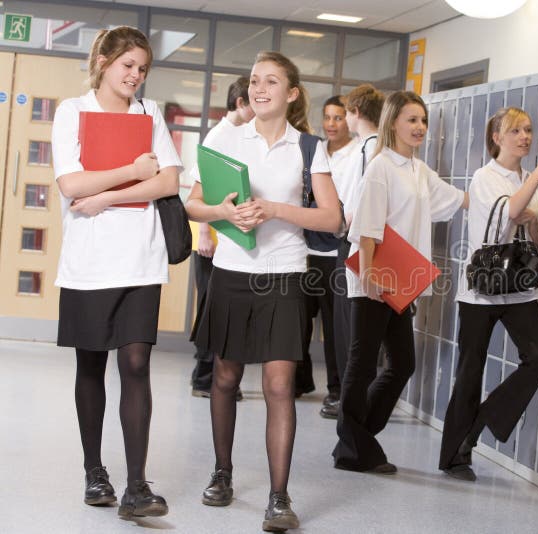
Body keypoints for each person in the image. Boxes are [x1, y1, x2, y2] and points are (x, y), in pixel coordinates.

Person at [185, 51, 340, 532]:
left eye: (271, 81)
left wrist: (275, 209)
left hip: (286, 274)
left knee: (278, 387)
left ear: (291, 94)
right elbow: (193, 204)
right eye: (254, 80)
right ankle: (222, 473)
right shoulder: (225, 137)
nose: (259, 88)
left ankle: (278, 495)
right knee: (225, 380)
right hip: (232, 272)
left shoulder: (310, 148)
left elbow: (332, 220)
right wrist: (225, 214)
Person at [51, 26, 181, 518]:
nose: (135, 75)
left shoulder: (150, 114)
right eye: (128, 65)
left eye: (143, 68)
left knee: (136, 365)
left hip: (141, 260)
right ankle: (93, 471)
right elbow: (70, 182)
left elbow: (168, 178)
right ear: (103, 61)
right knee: (91, 367)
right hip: (88, 263)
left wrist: (106, 195)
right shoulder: (72, 111)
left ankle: (137, 487)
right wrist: (134, 170)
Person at [332, 91, 468, 473]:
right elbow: (369, 226)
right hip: (373, 278)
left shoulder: (418, 170)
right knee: (362, 366)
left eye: (423, 120)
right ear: (393, 122)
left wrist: (508, 203)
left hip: (401, 280)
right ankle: (354, 446)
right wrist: (372, 275)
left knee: (402, 363)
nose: (420, 127)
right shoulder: (381, 168)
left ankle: (355, 438)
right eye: (411, 120)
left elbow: (459, 200)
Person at [439, 107, 538, 481]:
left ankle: (481, 421)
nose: (524, 136)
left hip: (520, 288)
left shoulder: (532, 180)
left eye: (528, 130)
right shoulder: (484, 177)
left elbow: (536, 236)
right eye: (515, 131)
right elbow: (509, 211)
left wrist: (533, 221)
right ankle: (454, 456)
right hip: (483, 288)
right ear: (497, 137)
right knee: (469, 371)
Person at [190, 75, 254, 399]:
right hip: (212, 239)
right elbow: (203, 190)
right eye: (253, 103)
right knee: (209, 311)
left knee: (214, 311)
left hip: (227, 237)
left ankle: (208, 376)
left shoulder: (241, 133)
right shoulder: (219, 136)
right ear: (241, 103)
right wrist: (205, 234)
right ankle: (203, 379)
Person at [295, 95, 357, 420]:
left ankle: (336, 390)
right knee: (300, 321)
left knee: (335, 328)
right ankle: (299, 380)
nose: (332, 124)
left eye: (339, 117)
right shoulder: (316, 149)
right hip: (307, 248)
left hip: (336, 251)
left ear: (350, 121)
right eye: (328, 117)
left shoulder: (356, 154)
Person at [326, 84, 385, 420]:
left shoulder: (367, 149)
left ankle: (351, 402)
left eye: (345, 112)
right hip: (363, 242)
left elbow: (352, 207)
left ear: (356, 112)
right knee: (355, 328)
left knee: (349, 329)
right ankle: (353, 399)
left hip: (354, 242)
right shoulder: (375, 147)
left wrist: (336, 222)